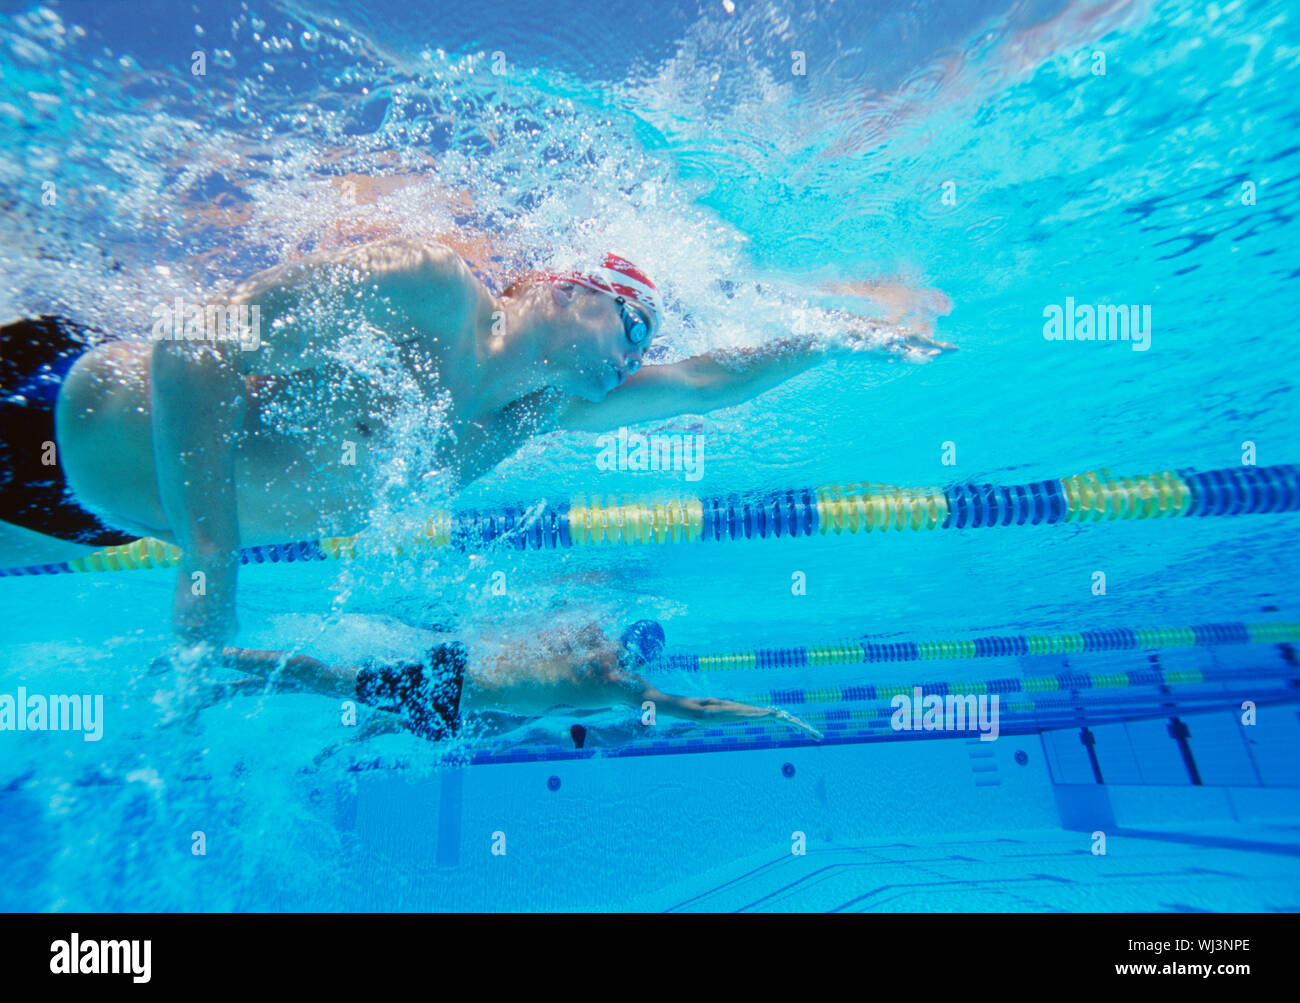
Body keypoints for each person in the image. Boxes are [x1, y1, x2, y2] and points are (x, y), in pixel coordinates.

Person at [0, 239, 953, 645]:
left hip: (87, 519)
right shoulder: (428, 289)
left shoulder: (528, 416)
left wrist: (841, 336)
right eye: (636, 325)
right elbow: (192, 340)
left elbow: (714, 380)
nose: (644, 353)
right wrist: (210, 555)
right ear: (572, 285)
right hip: (47, 401)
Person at [198, 619, 822, 750]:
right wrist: (764, 713)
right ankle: (218, 656)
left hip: (453, 683)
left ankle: (228, 686)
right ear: (640, 661)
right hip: (449, 688)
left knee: (340, 690)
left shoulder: (583, 637)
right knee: (335, 682)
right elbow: (700, 708)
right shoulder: (615, 682)